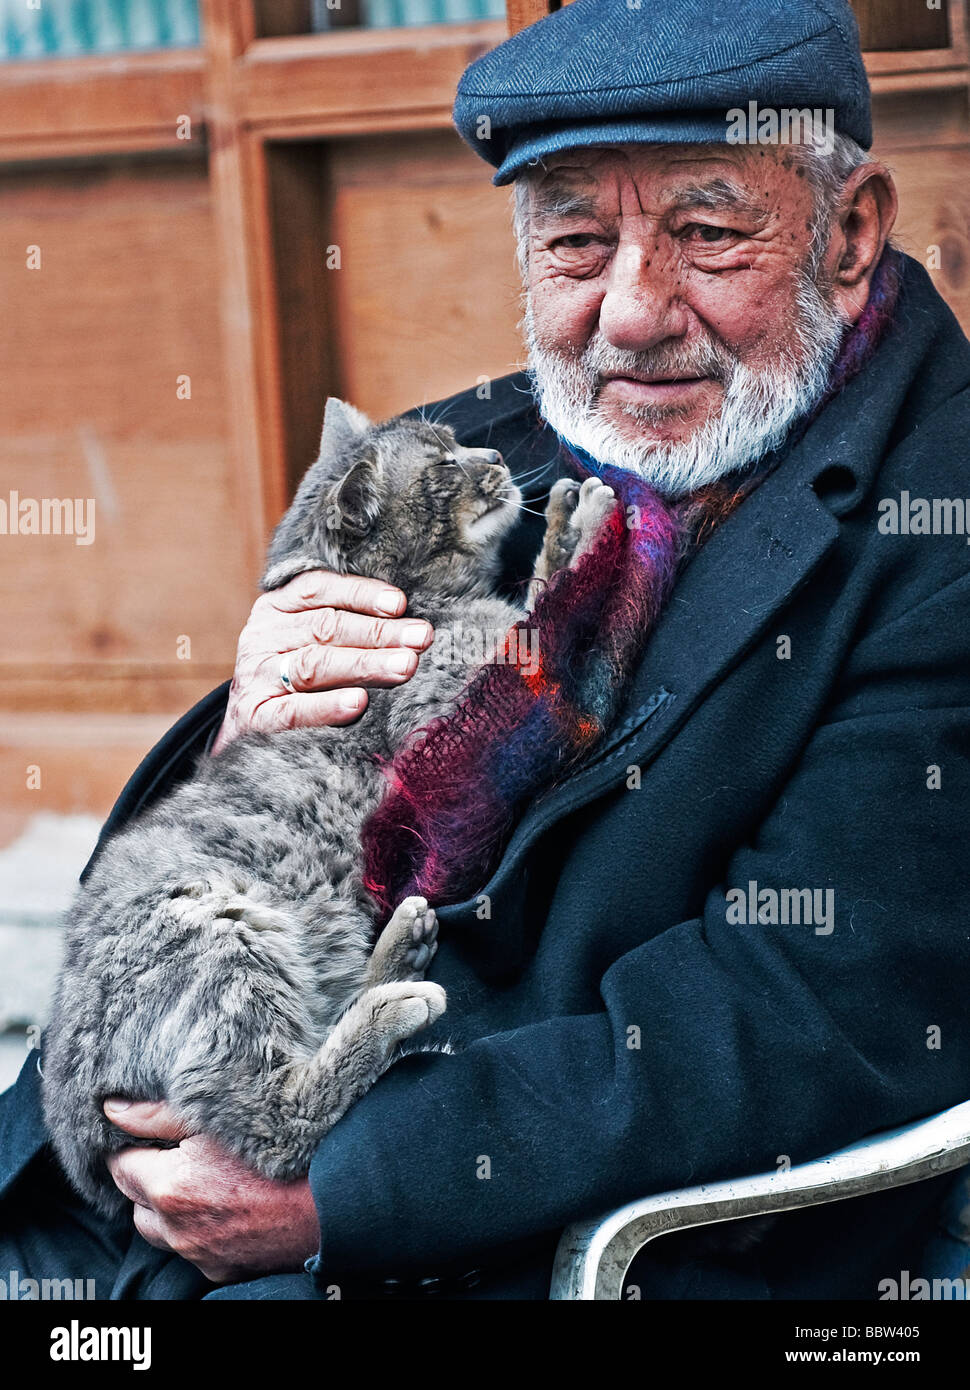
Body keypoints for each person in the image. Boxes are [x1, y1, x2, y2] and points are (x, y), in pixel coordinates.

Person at [2, 0, 968, 1300]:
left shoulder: (938, 524)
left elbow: (806, 1008)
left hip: (520, 1229)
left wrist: (340, 1189)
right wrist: (250, 729)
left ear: (850, 234)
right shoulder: (485, 445)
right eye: (575, 242)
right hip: (148, 1159)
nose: (629, 314)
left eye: (706, 234)